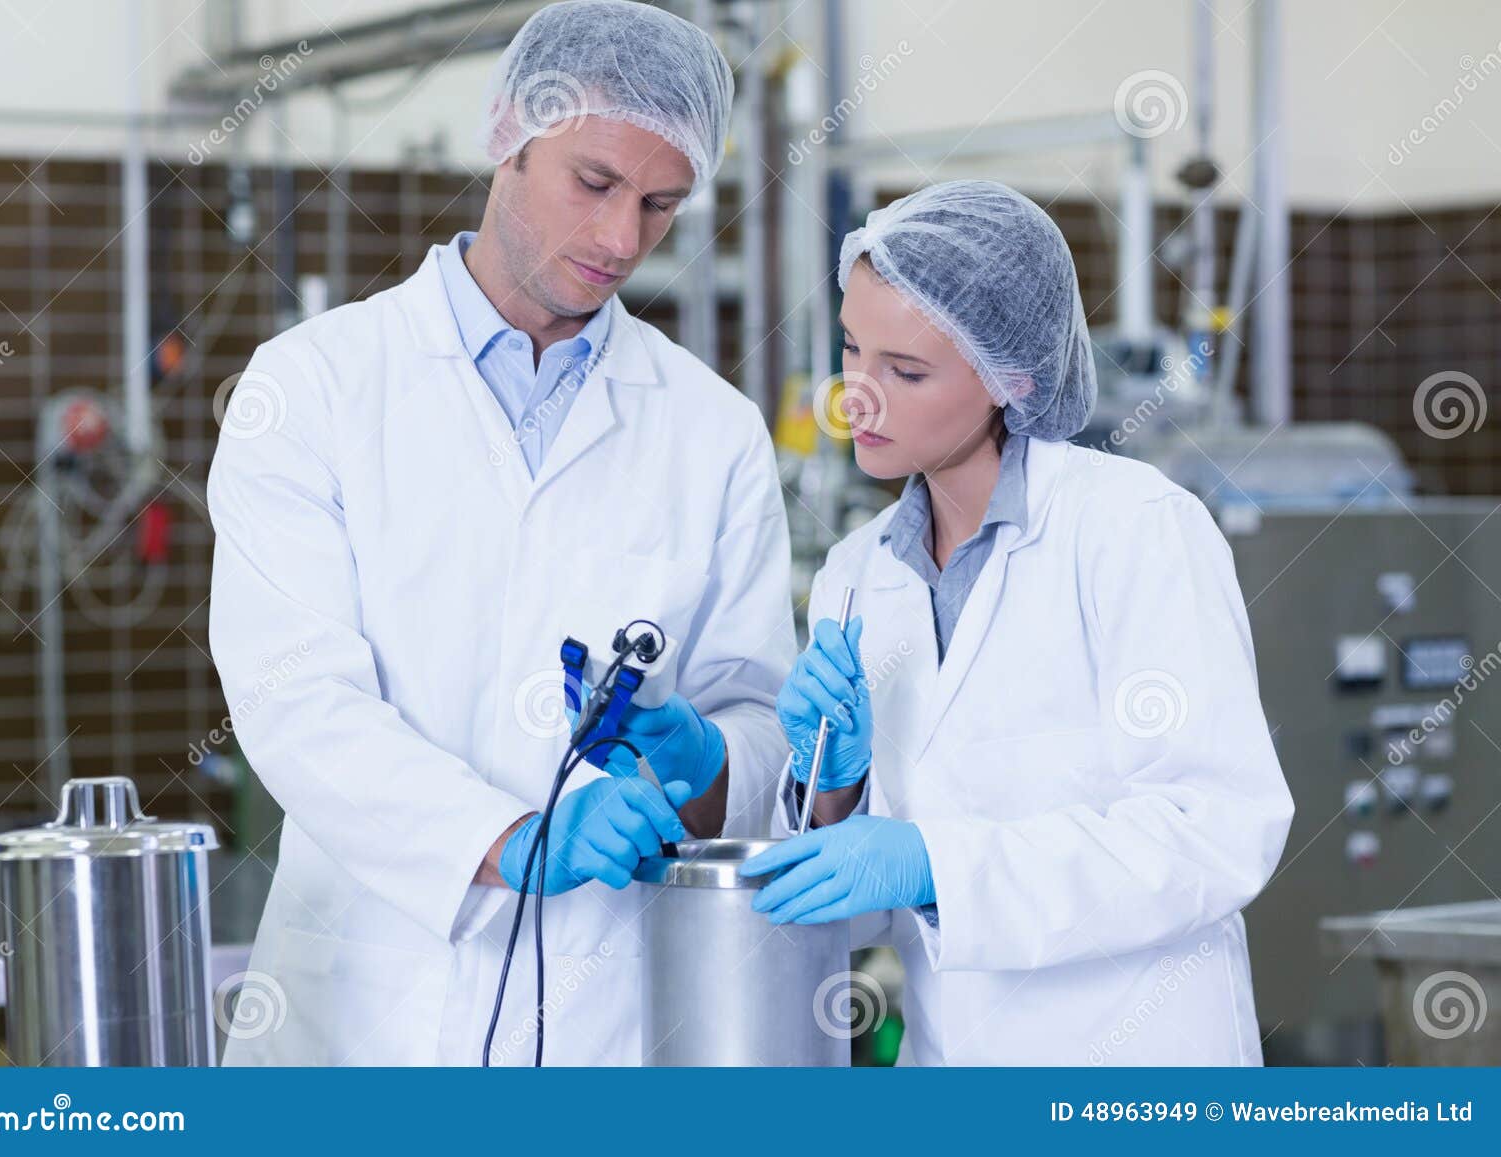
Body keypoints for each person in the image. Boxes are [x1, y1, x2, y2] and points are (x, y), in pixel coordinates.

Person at [209, 0, 795, 1066]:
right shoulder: (315, 387)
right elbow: (294, 696)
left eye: (663, 204)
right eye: (596, 183)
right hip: (361, 1012)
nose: (624, 240)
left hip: (604, 1015)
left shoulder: (710, 430)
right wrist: (508, 839)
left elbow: (758, 728)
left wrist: (707, 759)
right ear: (508, 138)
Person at [740, 180, 1295, 1066]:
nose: (858, 398)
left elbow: (1215, 829)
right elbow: (867, 904)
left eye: (906, 370)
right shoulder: (857, 573)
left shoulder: (1133, 529)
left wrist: (934, 861)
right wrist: (831, 793)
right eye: (851, 350)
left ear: (1011, 377)